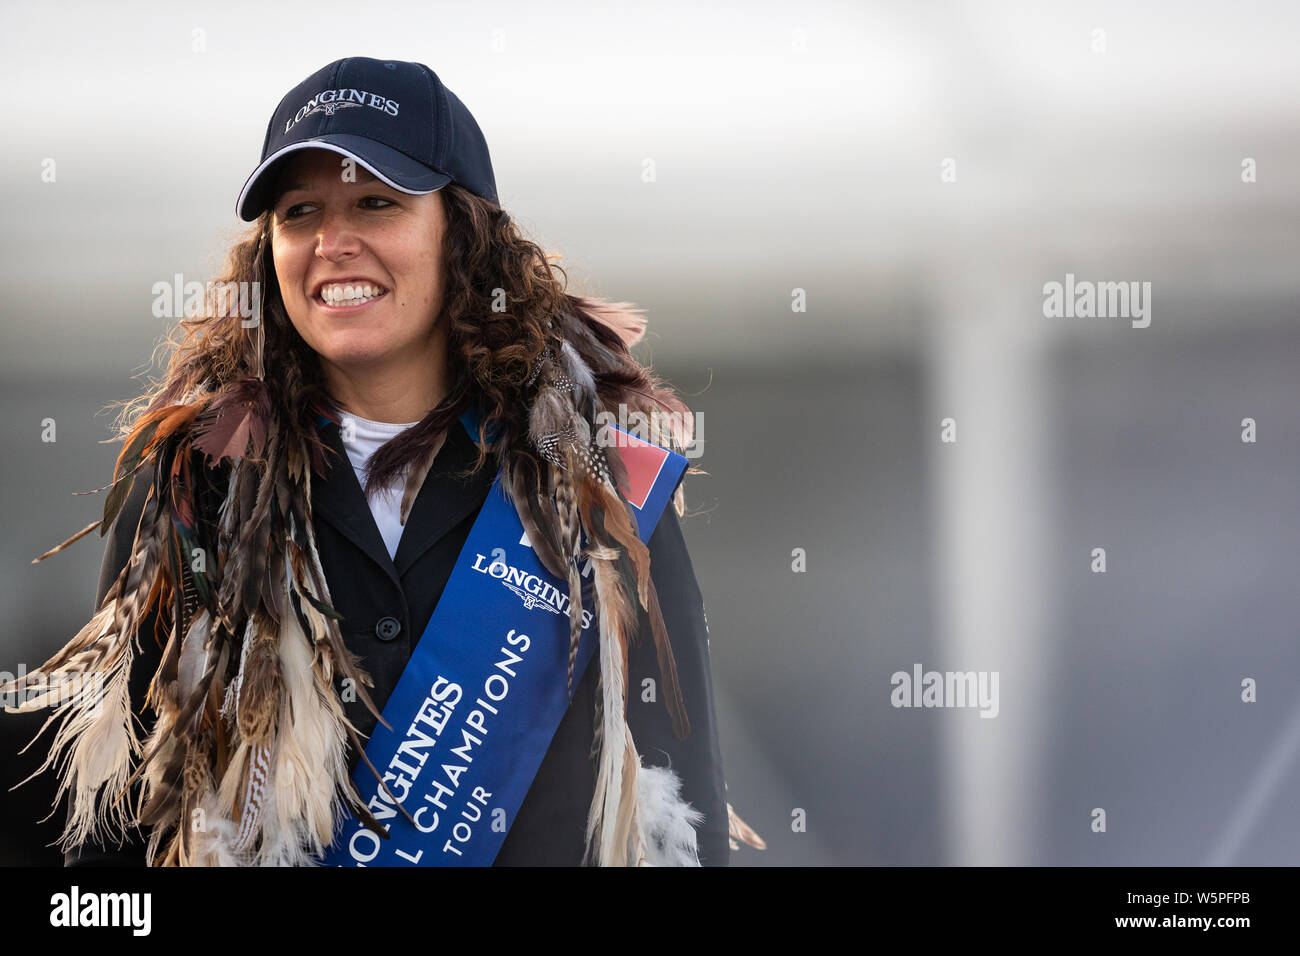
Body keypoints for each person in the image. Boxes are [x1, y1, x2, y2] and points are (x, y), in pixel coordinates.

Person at [4, 56, 761, 867]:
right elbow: (117, 841)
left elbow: (685, 821)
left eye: (377, 202)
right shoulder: (195, 486)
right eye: (300, 213)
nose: (333, 242)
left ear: (464, 234)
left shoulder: (592, 487)